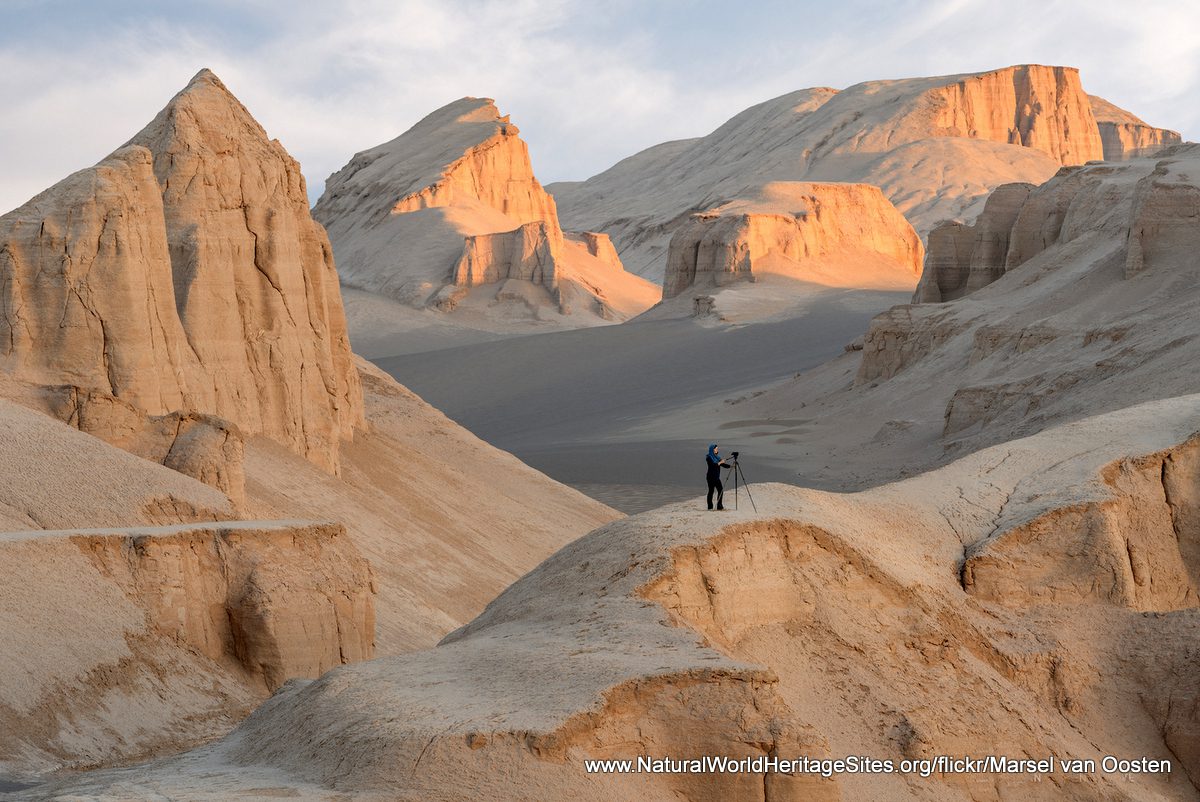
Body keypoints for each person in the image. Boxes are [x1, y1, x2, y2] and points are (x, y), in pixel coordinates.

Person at [705, 443, 729, 510]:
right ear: (712, 450)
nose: (717, 450)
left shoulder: (717, 457)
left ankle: (719, 506)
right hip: (710, 477)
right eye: (715, 449)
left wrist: (731, 466)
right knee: (711, 491)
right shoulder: (708, 457)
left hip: (716, 477)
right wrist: (720, 462)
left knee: (720, 490)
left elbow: (723, 465)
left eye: (717, 448)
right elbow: (713, 465)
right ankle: (710, 507)